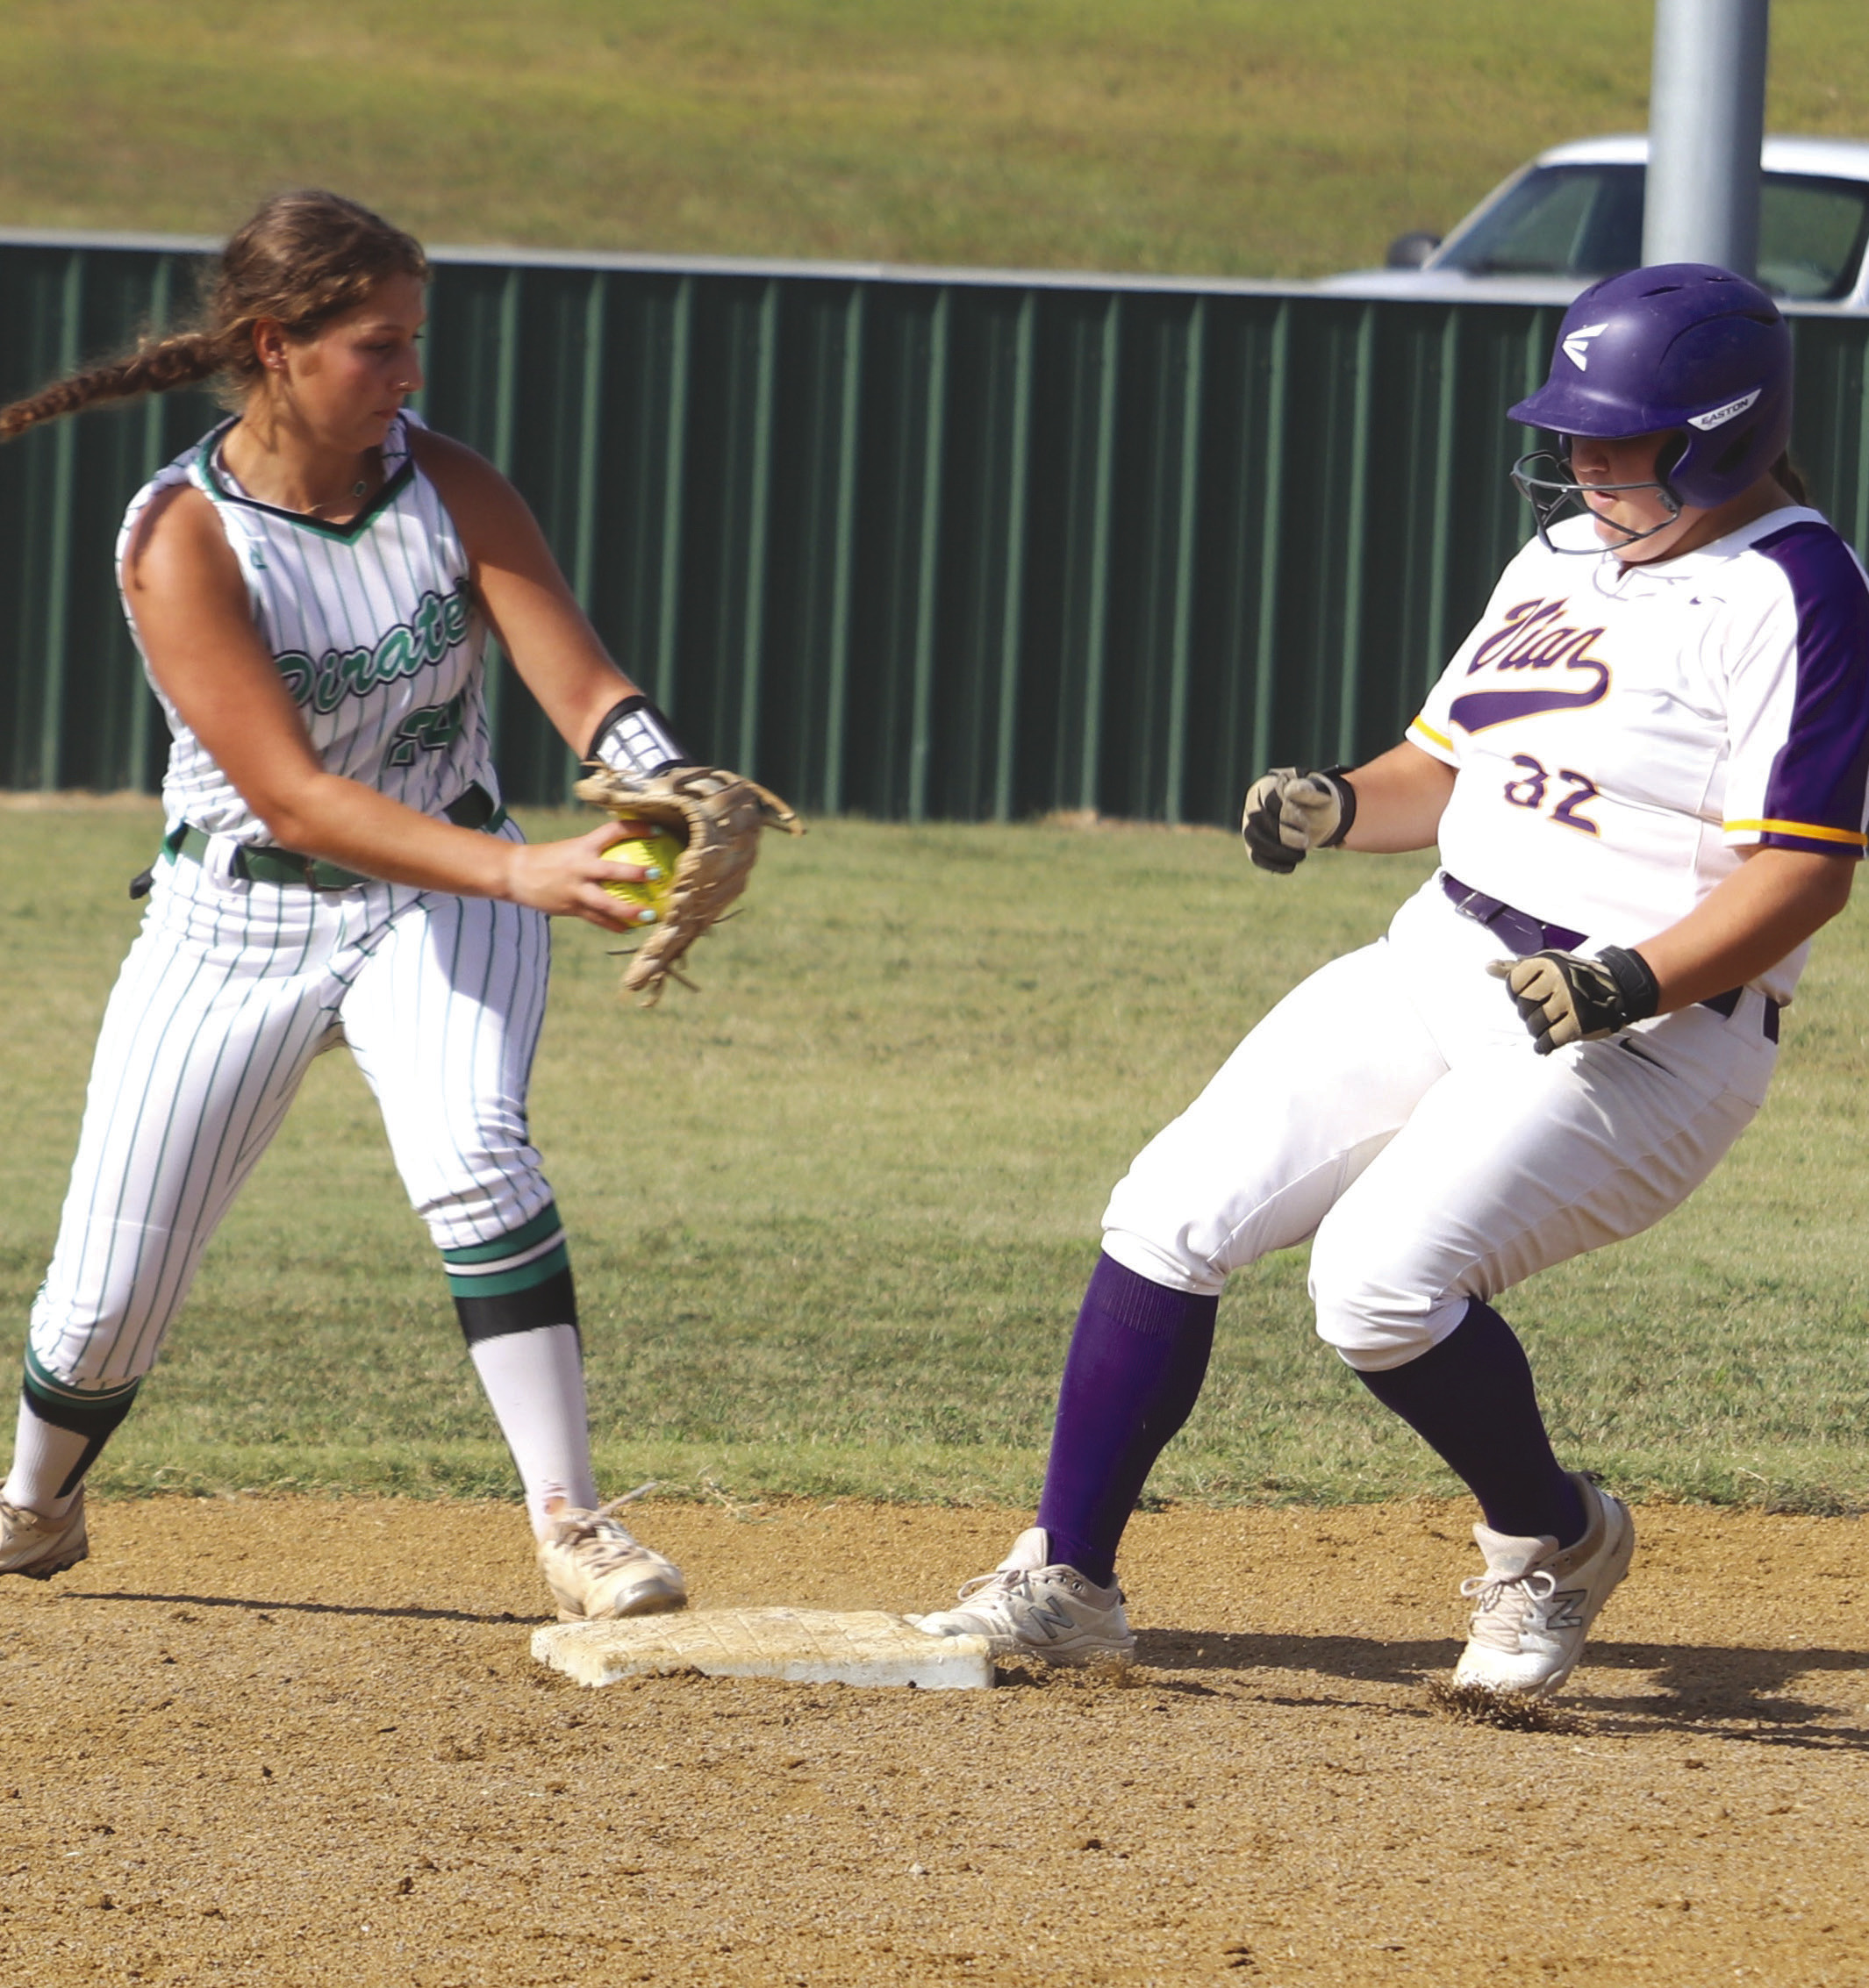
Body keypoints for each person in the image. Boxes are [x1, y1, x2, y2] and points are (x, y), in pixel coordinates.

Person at [913, 263, 1869, 1699]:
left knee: (1377, 1285)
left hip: (1652, 1033)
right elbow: (1445, 764)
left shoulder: (1800, 590)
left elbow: (1800, 873)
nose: (1583, 456)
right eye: (1575, 429)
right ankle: (1067, 1575)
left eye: (1620, 434)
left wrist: (1618, 983)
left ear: (1722, 432)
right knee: (1172, 1206)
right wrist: (1338, 803)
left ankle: (1549, 1539)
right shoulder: (1557, 557)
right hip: (1439, 952)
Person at [0, 190, 737, 1622]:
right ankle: (34, 1502)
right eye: (378, 345)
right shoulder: (183, 536)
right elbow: (290, 798)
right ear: (277, 345)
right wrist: (529, 871)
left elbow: (579, 683)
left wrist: (669, 773)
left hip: (435, 902)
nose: (409, 373)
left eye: (414, 341)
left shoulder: (447, 483)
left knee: (475, 1154)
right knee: (102, 1303)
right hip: (238, 920)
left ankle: (572, 1520)